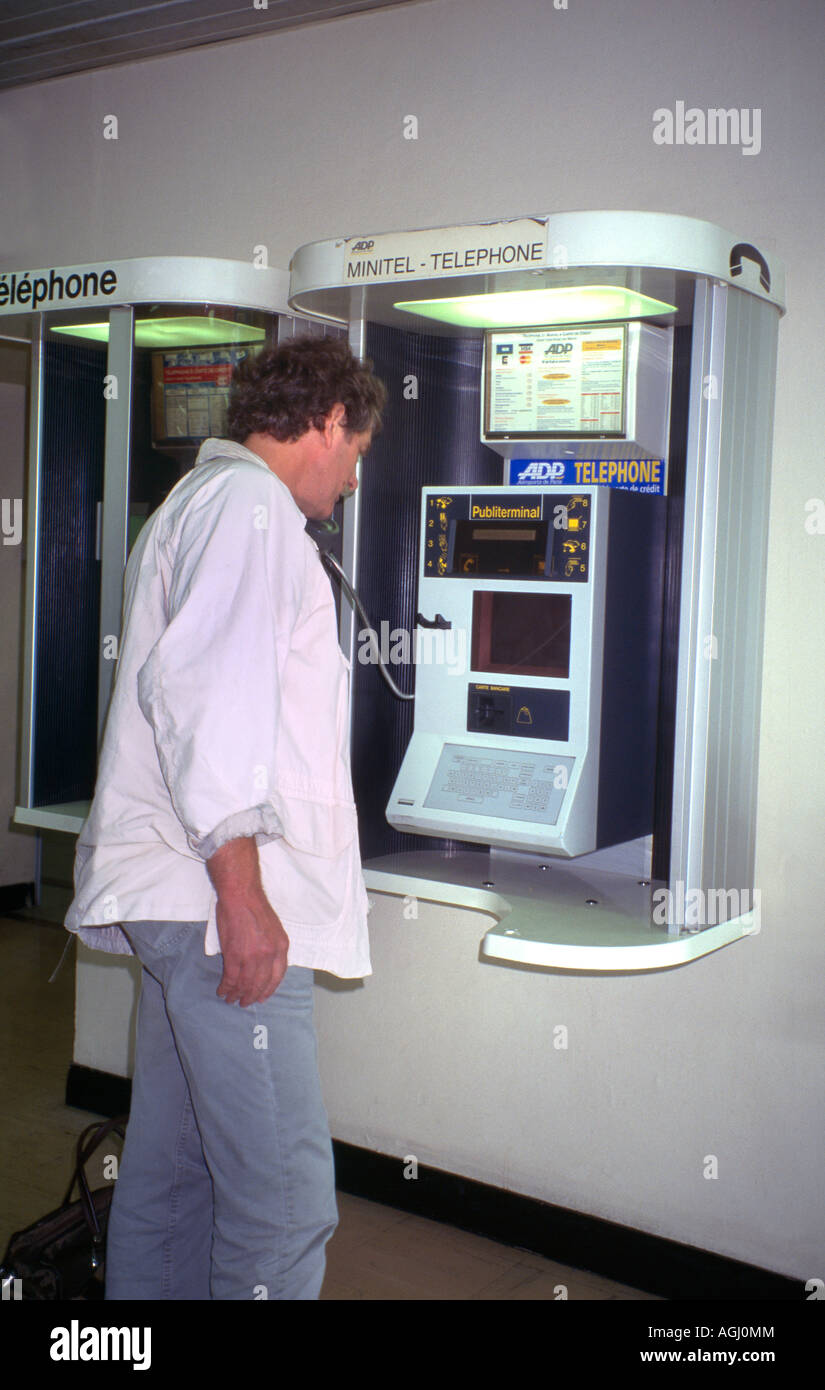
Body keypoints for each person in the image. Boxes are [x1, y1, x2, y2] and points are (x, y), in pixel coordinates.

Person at [64, 335, 387, 1300]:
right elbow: (209, 706)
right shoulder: (249, 509)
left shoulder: (197, 506)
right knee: (283, 1206)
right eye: (360, 450)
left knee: (172, 1177)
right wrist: (244, 901)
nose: (357, 478)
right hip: (219, 914)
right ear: (328, 422)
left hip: (179, 907)